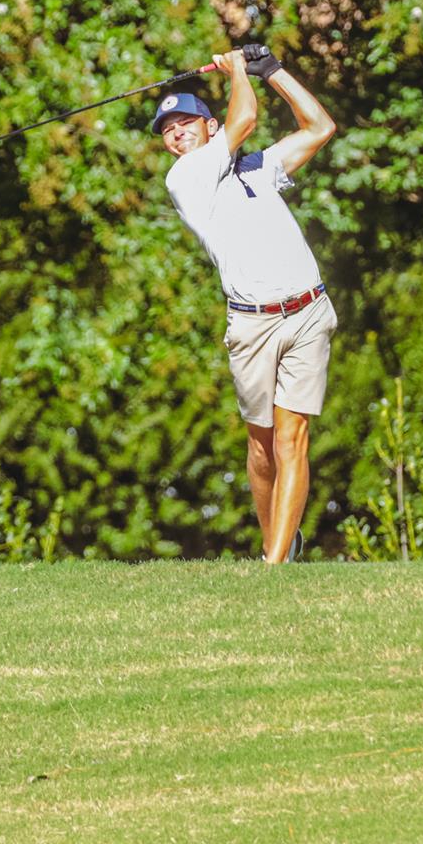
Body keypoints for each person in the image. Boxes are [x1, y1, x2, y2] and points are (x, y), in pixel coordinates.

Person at [154, 45, 338, 564]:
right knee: (261, 449)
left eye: (187, 122)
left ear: (210, 126)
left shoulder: (258, 168)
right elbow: (248, 115)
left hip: (307, 312)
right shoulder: (186, 179)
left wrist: (273, 70)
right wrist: (237, 70)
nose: (177, 133)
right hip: (252, 325)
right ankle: (275, 539)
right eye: (168, 131)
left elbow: (319, 127)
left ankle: (275, 563)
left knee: (291, 438)